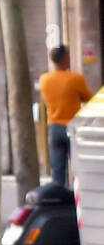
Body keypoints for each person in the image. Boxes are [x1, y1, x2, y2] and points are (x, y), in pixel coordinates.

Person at [39, 46, 95, 187]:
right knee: (78, 168)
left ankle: (60, 201)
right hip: (73, 127)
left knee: (57, 171)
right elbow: (89, 99)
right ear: (65, 59)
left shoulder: (44, 79)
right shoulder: (75, 79)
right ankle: (80, 201)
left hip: (54, 127)